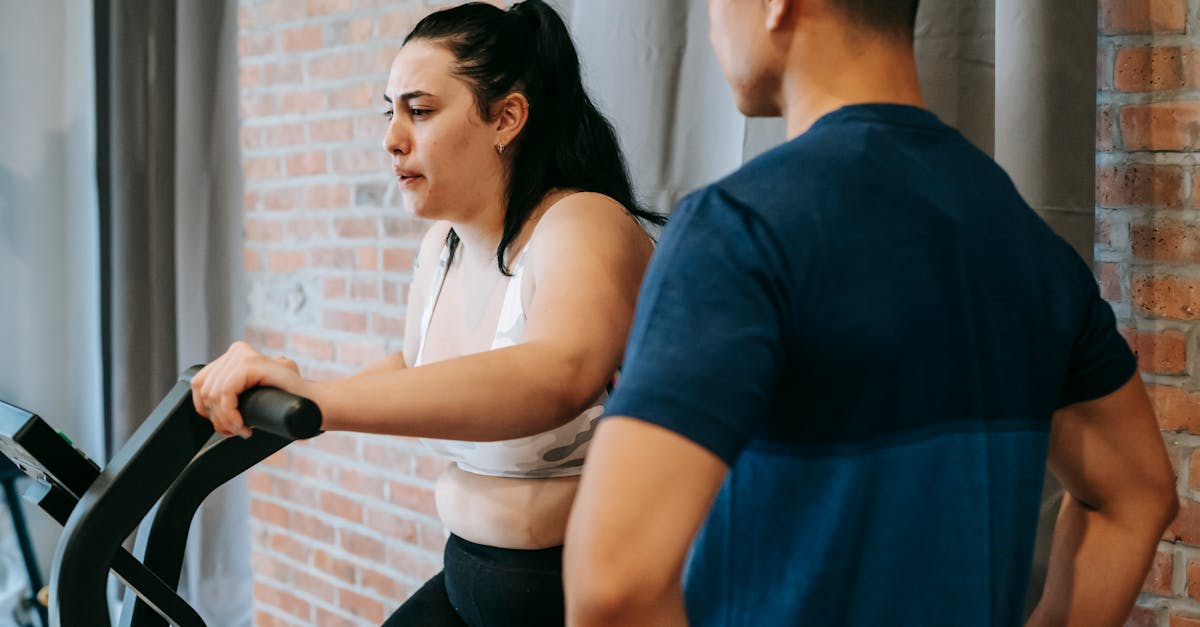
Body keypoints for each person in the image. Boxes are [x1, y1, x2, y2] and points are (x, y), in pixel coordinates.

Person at [563, 1, 1179, 626]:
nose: (714, 21)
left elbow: (614, 586)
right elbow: (1136, 495)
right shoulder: (1025, 242)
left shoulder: (741, 230)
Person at [191, 2, 661, 625]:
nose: (391, 137)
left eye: (420, 109)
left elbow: (556, 375)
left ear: (507, 118)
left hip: (578, 595)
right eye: (390, 111)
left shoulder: (584, 222)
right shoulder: (442, 247)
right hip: (470, 576)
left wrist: (325, 399)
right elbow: (414, 367)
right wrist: (297, 400)